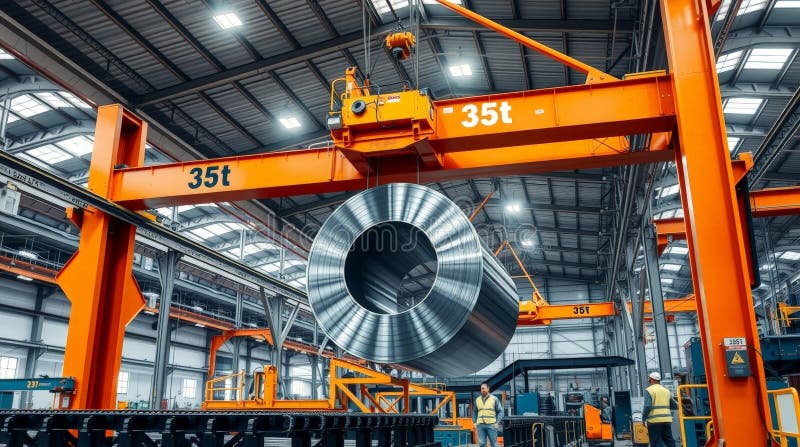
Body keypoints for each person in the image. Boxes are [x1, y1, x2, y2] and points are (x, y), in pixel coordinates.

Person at [642, 372, 676, 447]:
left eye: (649, 380)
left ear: (651, 380)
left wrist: (643, 419)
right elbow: (675, 405)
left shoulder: (649, 390)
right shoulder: (666, 391)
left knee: (656, 442)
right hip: (667, 420)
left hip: (654, 421)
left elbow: (647, 406)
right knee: (669, 441)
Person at [473, 383, 503, 447]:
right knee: (482, 444)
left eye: (484, 388)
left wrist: (497, 423)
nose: (482, 390)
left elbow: (500, 411)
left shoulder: (494, 399)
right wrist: (474, 422)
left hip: (491, 425)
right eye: (481, 389)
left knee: (494, 444)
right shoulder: (477, 400)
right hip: (480, 425)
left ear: (488, 389)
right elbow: (474, 412)